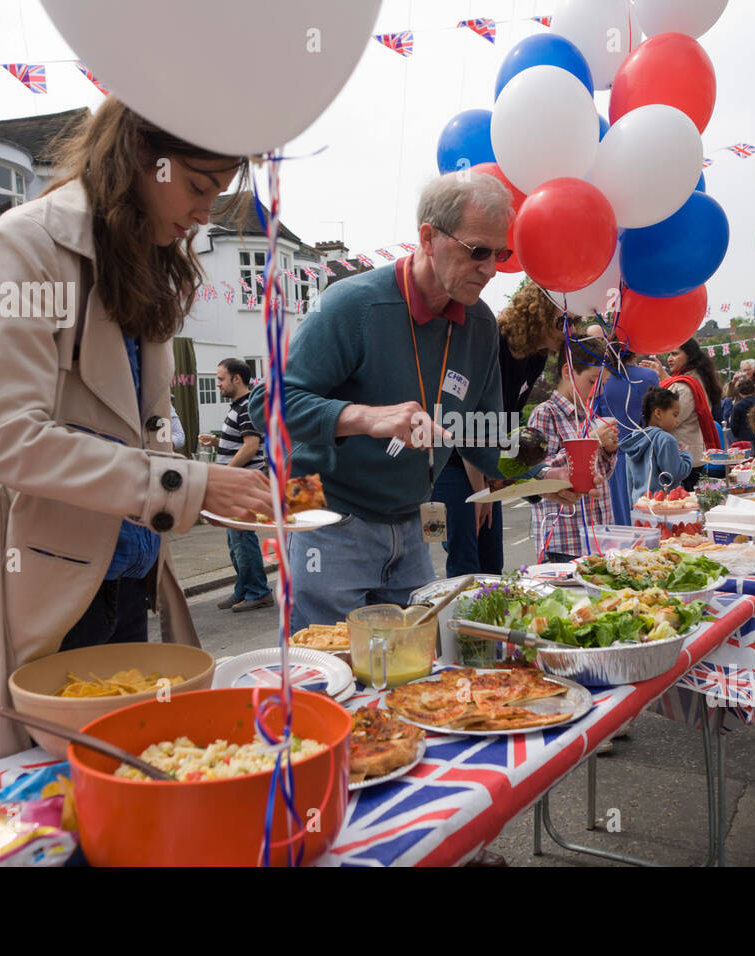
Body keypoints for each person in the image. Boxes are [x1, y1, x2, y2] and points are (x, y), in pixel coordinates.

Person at [0, 98, 273, 765]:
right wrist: (188, 484)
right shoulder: (24, 243)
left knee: (134, 803)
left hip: (125, 577)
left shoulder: (141, 261)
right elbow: (1, 436)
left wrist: (192, 486)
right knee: (41, 820)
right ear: (137, 158)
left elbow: (133, 429)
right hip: (39, 590)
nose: (203, 213)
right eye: (196, 186)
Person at [250, 173, 582, 632]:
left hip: (407, 518)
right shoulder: (353, 304)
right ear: (428, 237)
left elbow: (480, 437)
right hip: (318, 504)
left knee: (411, 671)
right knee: (326, 669)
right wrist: (365, 417)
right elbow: (267, 405)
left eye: (500, 254)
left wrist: (538, 476)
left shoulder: (481, 326)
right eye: (477, 251)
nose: (490, 268)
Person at [433, 280, 565, 577]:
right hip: (455, 459)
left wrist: (494, 479)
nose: (568, 330)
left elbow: (506, 422)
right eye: (562, 321)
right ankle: (459, 622)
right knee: (466, 562)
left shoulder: (536, 356)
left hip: (485, 457)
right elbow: (467, 421)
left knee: (492, 562)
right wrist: (480, 488)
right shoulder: (493, 345)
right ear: (539, 314)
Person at [529, 337, 618, 562]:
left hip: (598, 535)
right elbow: (538, 473)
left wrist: (607, 452)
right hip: (564, 541)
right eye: (592, 381)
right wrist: (590, 443)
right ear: (568, 371)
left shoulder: (588, 417)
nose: (597, 391)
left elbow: (600, 475)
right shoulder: (545, 414)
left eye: (603, 385)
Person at [198, 358, 274, 612]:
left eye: (221, 379)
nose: (217, 384)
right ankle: (244, 589)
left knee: (242, 539)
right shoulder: (240, 406)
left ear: (236, 379)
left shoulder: (248, 406)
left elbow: (251, 445)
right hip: (238, 482)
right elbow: (242, 442)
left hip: (240, 484)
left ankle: (258, 591)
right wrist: (218, 442)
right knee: (235, 541)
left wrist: (224, 475)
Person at [596, 344, 661, 524]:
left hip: (613, 453)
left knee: (620, 514)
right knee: (648, 511)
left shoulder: (602, 378)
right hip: (644, 452)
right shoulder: (649, 376)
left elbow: (597, 418)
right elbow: (656, 416)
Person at [660, 339, 723, 483]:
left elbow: (669, 421)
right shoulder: (694, 379)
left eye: (675, 354)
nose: (669, 359)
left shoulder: (685, 386)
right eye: (669, 354)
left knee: (682, 503)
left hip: (682, 456)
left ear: (690, 355)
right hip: (690, 455)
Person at [620, 386, 692, 504]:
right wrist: (685, 455)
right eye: (675, 415)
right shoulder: (666, 439)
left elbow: (630, 482)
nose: (677, 421)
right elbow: (675, 474)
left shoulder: (634, 439)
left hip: (639, 504)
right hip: (663, 506)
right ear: (658, 413)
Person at [727, 378, 755, 447]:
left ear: (739, 392)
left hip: (743, 437)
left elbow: (734, 425)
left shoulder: (738, 406)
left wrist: (737, 435)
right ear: (753, 390)